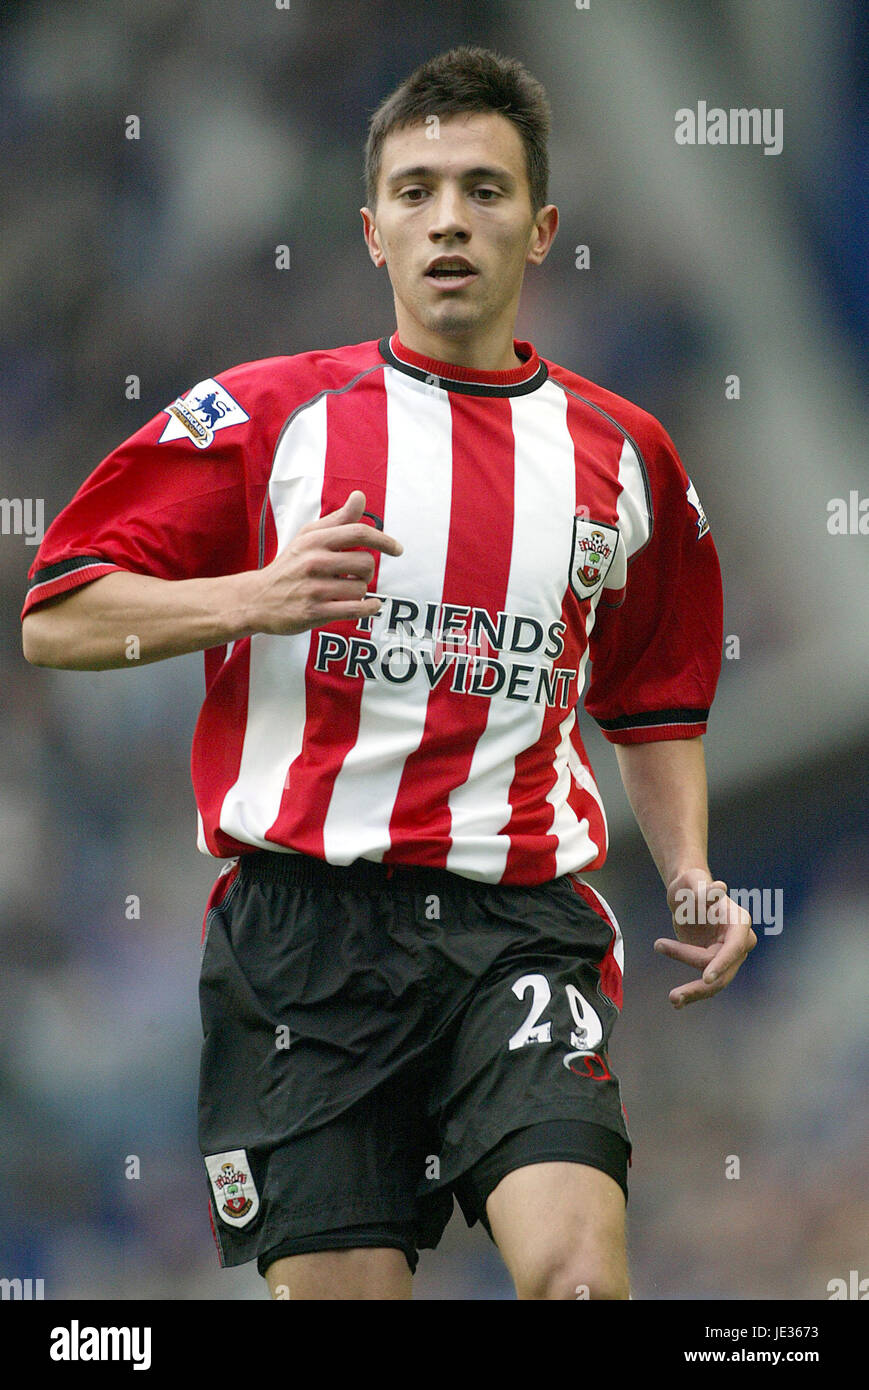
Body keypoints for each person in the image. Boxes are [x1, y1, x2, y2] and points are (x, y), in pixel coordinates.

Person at [21, 45, 756, 1301]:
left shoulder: (628, 456)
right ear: (371, 232)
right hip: (301, 938)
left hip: (515, 926)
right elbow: (58, 615)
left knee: (579, 1277)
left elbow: (652, 695)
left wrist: (685, 868)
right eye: (415, 192)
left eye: (482, 187)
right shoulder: (268, 419)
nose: (449, 220)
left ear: (542, 226)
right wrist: (249, 598)